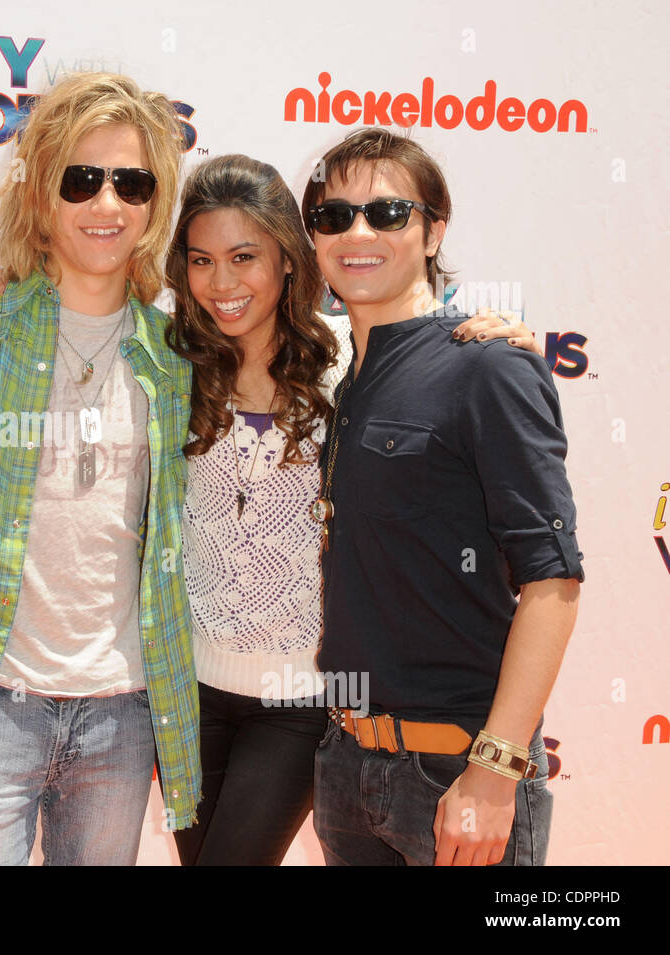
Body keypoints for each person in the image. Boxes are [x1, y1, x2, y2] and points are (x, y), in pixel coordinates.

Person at [162, 153, 541, 866]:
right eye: (201, 260)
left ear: (287, 259)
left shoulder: (349, 362)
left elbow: (436, 371)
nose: (223, 282)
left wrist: (499, 340)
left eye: (245, 256)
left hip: (304, 697)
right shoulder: (174, 362)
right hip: (190, 691)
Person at [0, 72, 199, 865]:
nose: (108, 205)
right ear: (41, 193)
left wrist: (476, 334)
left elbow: (318, 351)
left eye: (132, 183)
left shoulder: (180, 355)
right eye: (83, 180)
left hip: (123, 713)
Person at [306, 128, 582, 865]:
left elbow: (553, 580)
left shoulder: (488, 365)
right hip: (346, 768)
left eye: (387, 212)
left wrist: (494, 770)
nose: (358, 232)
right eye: (334, 217)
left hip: (457, 775)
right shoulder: (339, 374)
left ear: (434, 229)